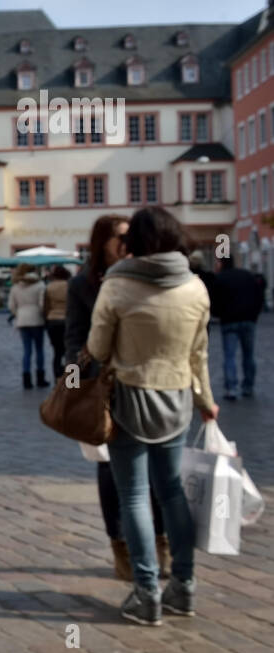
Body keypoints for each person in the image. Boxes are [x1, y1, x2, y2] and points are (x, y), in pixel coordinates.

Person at [87, 206, 217, 626]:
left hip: (129, 398)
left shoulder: (118, 284)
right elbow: (199, 355)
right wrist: (206, 401)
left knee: (135, 496)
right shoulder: (196, 287)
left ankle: (146, 593)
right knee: (173, 492)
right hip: (176, 399)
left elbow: (98, 348)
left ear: (135, 242)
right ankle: (184, 586)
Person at [66, 214, 167, 581]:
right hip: (103, 388)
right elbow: (74, 339)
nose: (126, 242)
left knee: (155, 469)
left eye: (130, 236)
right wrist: (74, 381)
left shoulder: (144, 275)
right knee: (110, 472)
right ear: (102, 241)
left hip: (145, 382)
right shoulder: (83, 285)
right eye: (119, 237)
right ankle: (120, 545)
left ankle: (160, 541)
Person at [210, 256, 261, 401]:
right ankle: (248, 386)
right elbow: (258, 296)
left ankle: (231, 388)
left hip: (229, 321)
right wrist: (254, 314)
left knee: (229, 356)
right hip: (248, 319)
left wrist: (218, 314)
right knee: (248, 355)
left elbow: (214, 300)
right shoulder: (247, 276)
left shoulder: (220, 278)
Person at [8, 263, 48, 389]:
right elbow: (42, 304)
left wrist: (18, 313)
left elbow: (11, 306)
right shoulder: (40, 284)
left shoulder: (16, 286)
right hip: (36, 319)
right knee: (39, 349)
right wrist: (42, 315)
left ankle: (26, 379)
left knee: (27, 350)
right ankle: (40, 378)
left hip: (22, 319)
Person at [43, 265, 70, 381]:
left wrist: (46, 318)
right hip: (68, 320)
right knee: (70, 352)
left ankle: (57, 377)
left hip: (53, 320)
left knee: (57, 351)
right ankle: (71, 381)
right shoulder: (70, 285)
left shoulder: (49, 287)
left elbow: (45, 306)